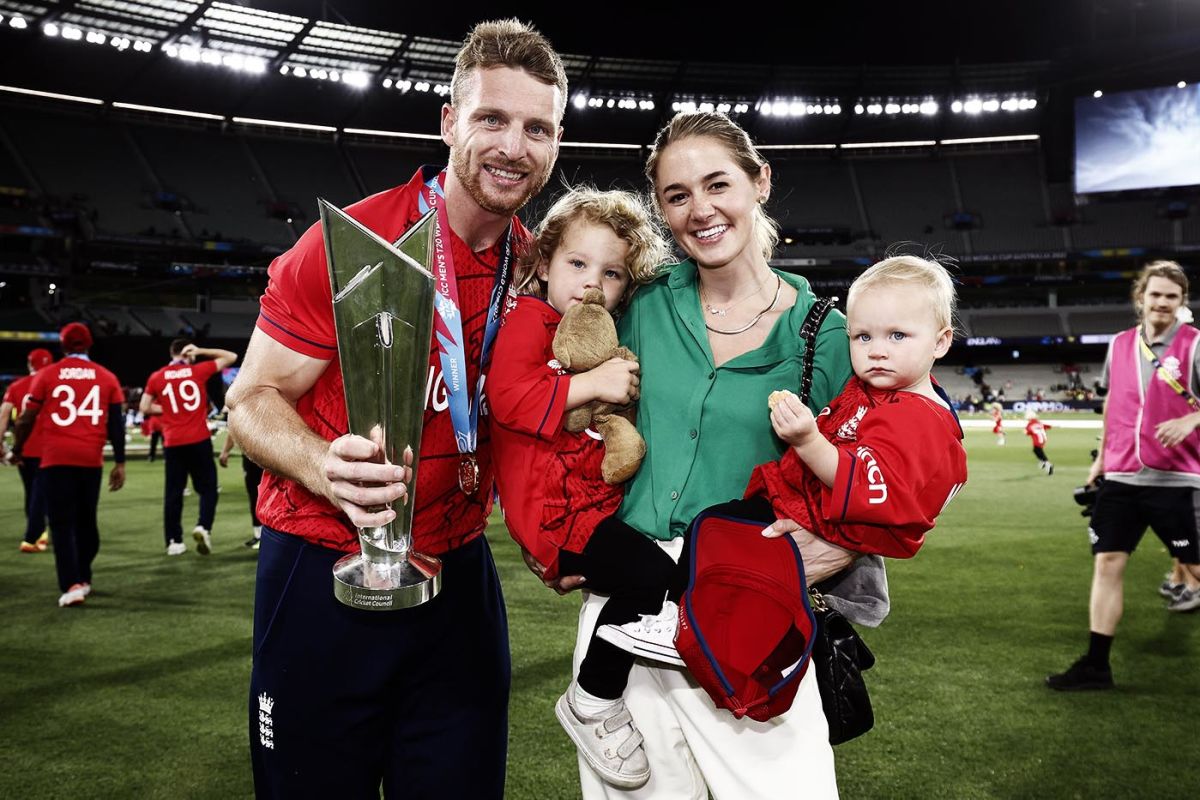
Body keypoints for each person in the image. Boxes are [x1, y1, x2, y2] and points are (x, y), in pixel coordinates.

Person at [224, 19, 567, 799]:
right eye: (492, 118)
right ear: (449, 121)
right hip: (324, 565)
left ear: (555, 142)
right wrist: (319, 463)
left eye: (537, 128)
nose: (514, 146)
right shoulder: (348, 243)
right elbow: (250, 400)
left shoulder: (541, 268)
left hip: (459, 577)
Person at [518, 111, 862, 799]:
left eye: (717, 184)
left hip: (745, 607)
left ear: (759, 182)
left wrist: (831, 549)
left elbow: (895, 466)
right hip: (625, 605)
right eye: (677, 195)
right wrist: (548, 531)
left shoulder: (826, 333)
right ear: (662, 210)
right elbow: (538, 394)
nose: (700, 209)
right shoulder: (634, 302)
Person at [597, 256, 968, 732]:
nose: (877, 351)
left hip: (817, 519)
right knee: (716, 530)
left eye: (898, 336)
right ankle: (686, 624)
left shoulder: (916, 416)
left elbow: (869, 480)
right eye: (863, 337)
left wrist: (808, 440)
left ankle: (689, 629)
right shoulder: (880, 392)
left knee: (725, 541)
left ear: (940, 342)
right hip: (801, 508)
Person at [487, 187, 669, 788]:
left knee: (664, 581)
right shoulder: (529, 321)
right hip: (553, 516)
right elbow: (508, 399)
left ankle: (601, 693)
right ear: (542, 264)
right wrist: (596, 383)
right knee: (657, 580)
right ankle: (593, 698)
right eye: (577, 263)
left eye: (611, 272)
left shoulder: (590, 335)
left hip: (585, 510)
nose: (593, 284)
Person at [1047, 260, 1200, 692]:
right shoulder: (1119, 344)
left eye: (1172, 296)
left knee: (1194, 565)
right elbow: (1114, 399)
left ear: (1181, 301)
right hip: (1121, 477)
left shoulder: (1194, 344)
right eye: (1156, 294)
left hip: (1178, 479)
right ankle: (1097, 666)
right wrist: (1100, 462)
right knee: (1108, 563)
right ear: (1141, 298)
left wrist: (1192, 420)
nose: (1163, 303)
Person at [12, 323, 125, 607]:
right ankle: (85, 576)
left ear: (62, 346)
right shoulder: (107, 377)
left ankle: (72, 584)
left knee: (61, 525)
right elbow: (116, 424)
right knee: (87, 521)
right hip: (90, 458)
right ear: (89, 345)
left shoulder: (47, 375)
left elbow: (26, 418)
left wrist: (17, 448)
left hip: (55, 458)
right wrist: (120, 462)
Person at [140, 339, 238, 555]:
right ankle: (203, 526)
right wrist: (201, 351)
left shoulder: (157, 376)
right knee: (208, 488)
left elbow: (144, 406)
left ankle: (174, 541)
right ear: (188, 353)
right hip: (198, 439)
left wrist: (166, 407)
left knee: (173, 492)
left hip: (173, 441)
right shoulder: (197, 371)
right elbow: (231, 357)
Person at [0, 347, 54, 552]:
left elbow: (4, 415)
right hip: (50, 448)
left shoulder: (16, 386)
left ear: (30, 364)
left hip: (25, 448)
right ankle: (36, 535)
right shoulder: (54, 384)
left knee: (32, 492)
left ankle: (38, 533)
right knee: (44, 493)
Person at [217, 425, 265, 550]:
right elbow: (235, 427)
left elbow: (234, 427)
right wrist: (225, 451)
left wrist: (225, 451)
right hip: (256, 454)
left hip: (262, 454)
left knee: (259, 495)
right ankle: (260, 534)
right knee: (256, 495)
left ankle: (263, 535)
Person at [1024, 409, 1053, 475]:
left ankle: (1048, 464)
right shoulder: (1038, 422)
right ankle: (1043, 462)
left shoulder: (1030, 424)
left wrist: (1025, 432)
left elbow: (1028, 432)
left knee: (1039, 452)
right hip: (1043, 440)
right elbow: (1046, 426)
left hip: (1037, 441)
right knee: (1036, 451)